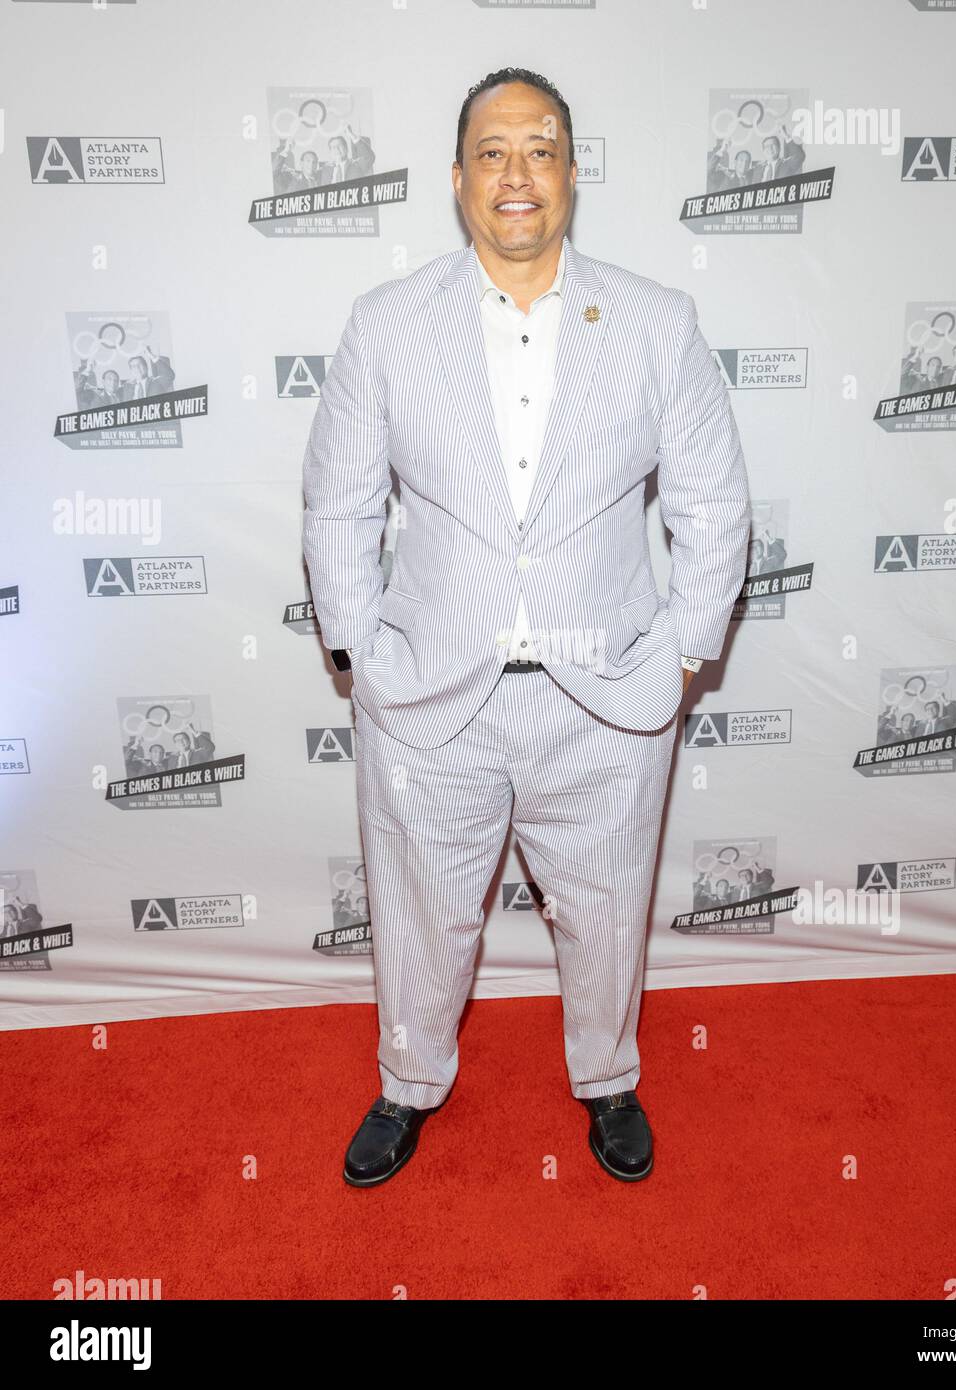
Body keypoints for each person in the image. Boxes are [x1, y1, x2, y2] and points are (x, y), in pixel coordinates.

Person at [302, 68, 751, 1188]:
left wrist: (680, 657)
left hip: (605, 698)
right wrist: (364, 649)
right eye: (493, 151)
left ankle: (606, 1078)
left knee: (604, 912)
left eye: (540, 148)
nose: (517, 173)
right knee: (419, 916)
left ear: (572, 174)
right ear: (458, 181)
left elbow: (713, 506)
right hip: (429, 696)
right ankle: (409, 1082)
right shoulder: (384, 324)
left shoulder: (656, 321)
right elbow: (338, 505)